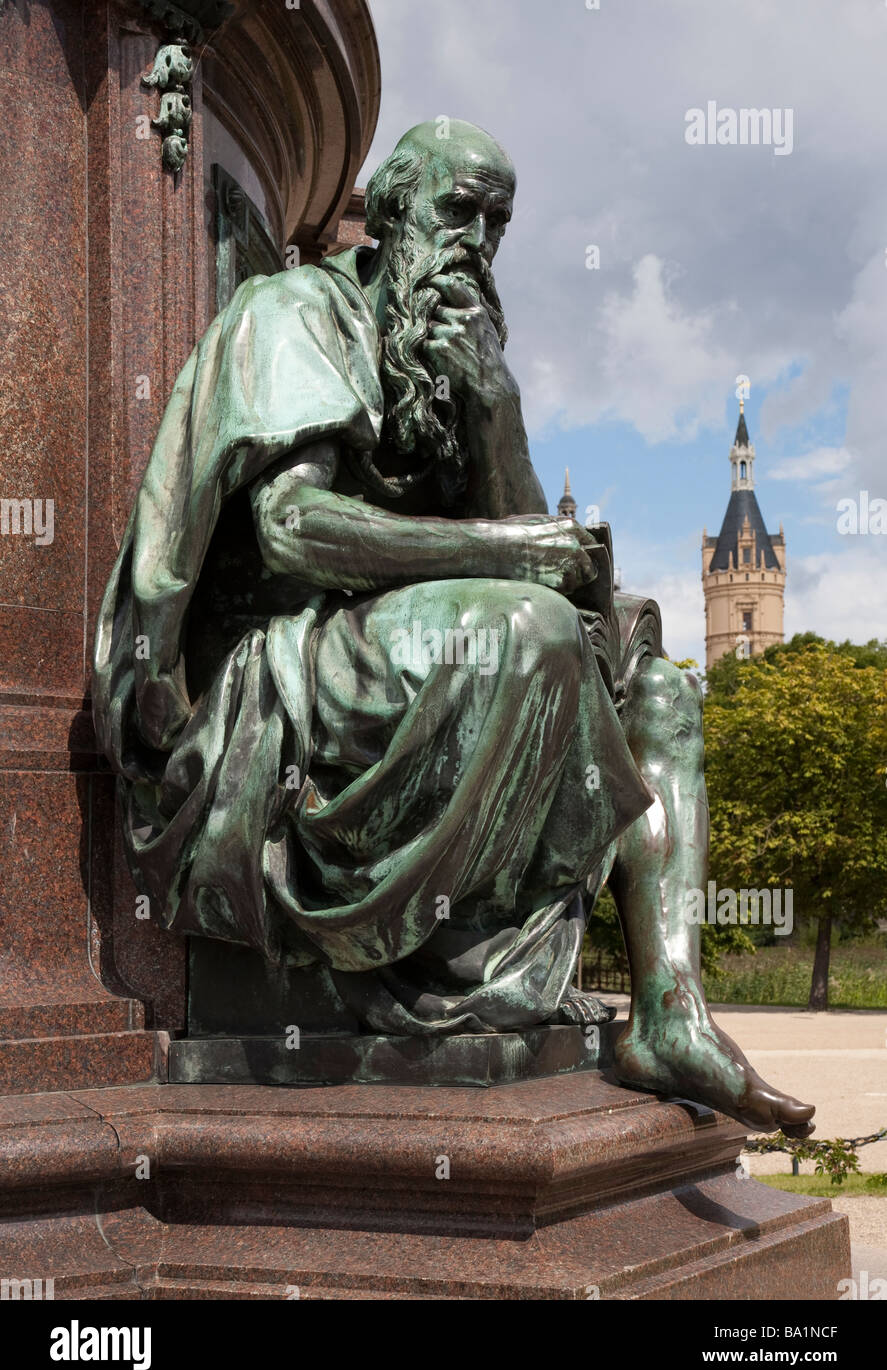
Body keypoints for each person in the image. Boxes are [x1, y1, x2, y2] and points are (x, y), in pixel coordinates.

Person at [94, 120, 814, 1136]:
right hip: (282, 648)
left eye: (499, 222)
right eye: (460, 209)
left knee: (653, 680)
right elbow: (292, 531)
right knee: (529, 630)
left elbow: (537, 552)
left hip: (400, 636)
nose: (478, 239)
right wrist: (508, 555)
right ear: (390, 214)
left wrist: (494, 412)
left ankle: (668, 1007)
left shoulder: (449, 352)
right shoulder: (294, 308)